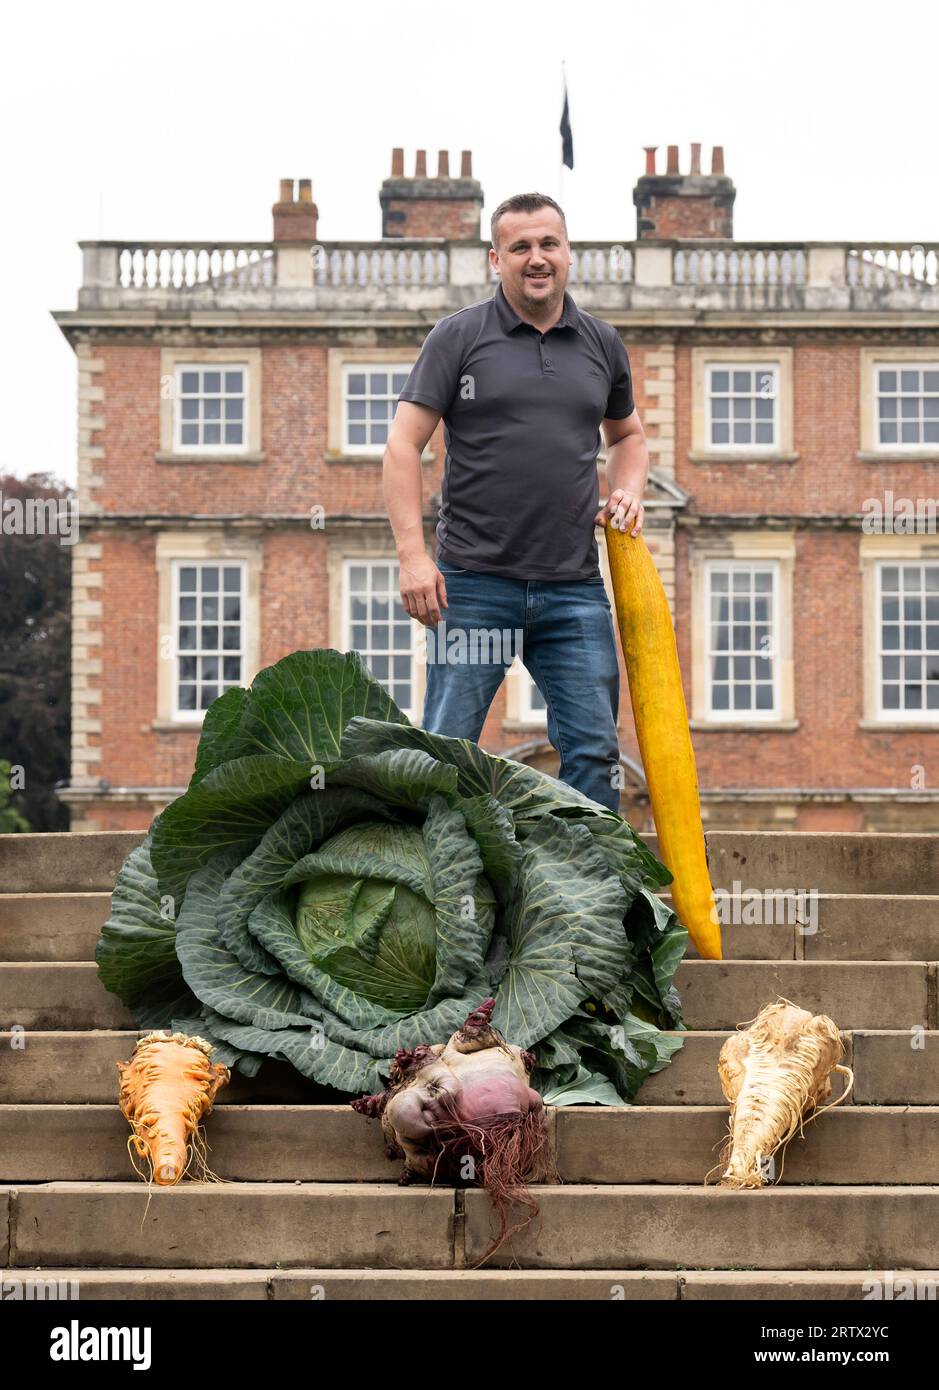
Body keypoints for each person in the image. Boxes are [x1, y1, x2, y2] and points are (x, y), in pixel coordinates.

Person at [382, 192, 649, 812]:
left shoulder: (601, 344)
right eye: (521, 247)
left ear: (568, 254)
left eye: (548, 244)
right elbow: (402, 446)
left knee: (594, 750)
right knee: (447, 753)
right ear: (495, 259)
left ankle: (588, 897)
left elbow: (629, 436)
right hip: (473, 586)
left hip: (573, 590)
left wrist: (627, 490)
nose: (537, 258)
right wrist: (413, 558)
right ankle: (440, 893)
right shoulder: (458, 337)